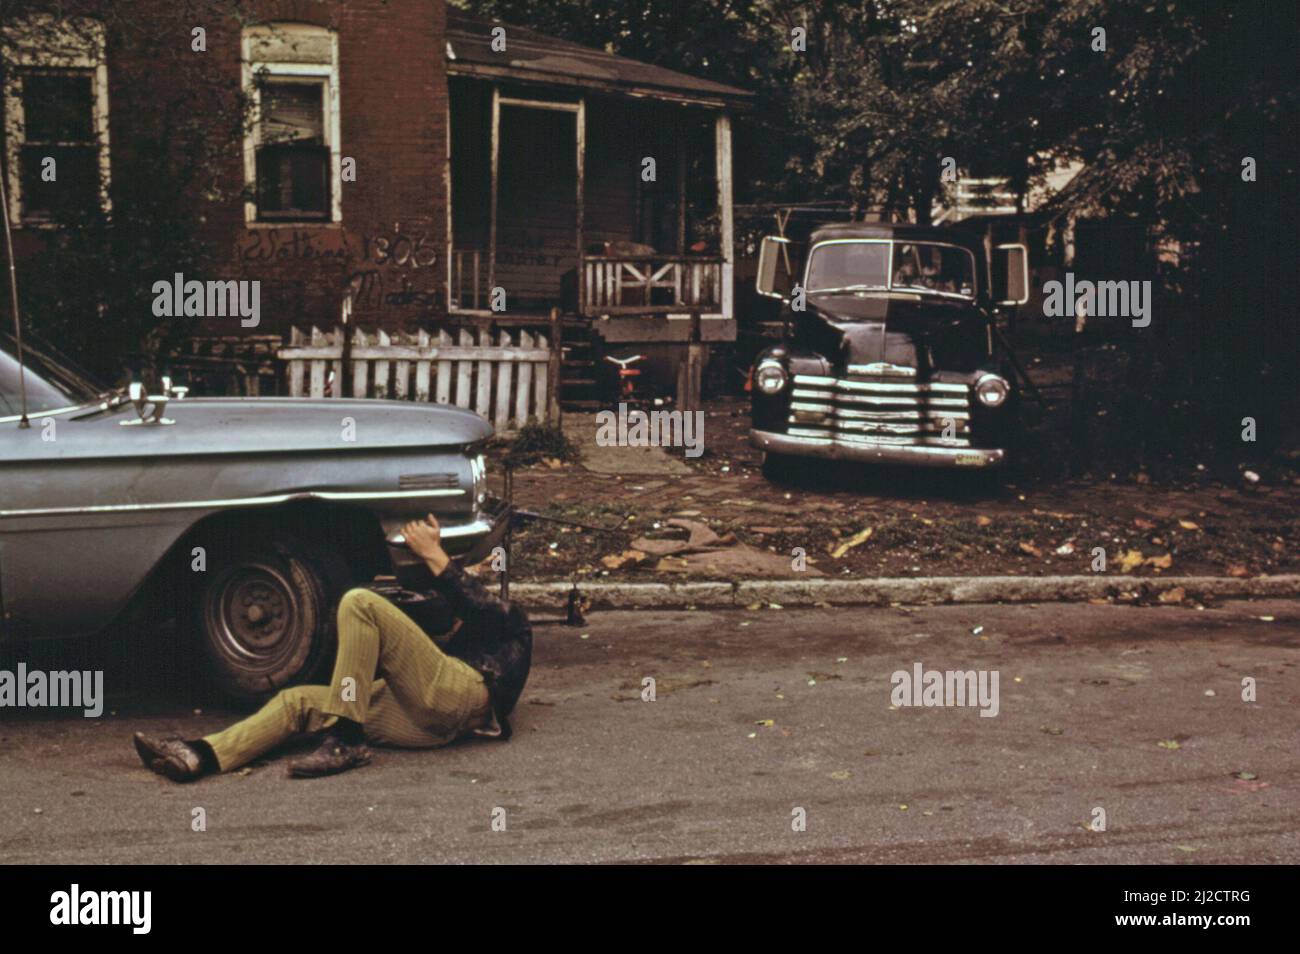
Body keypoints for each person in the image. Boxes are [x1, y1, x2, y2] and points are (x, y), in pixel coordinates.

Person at [132, 514, 531, 781]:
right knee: (298, 702)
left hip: (463, 699)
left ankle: (346, 739)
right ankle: (199, 755)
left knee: (360, 602)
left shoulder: (512, 622)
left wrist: (435, 554)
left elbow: (478, 603)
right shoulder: (453, 637)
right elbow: (415, 631)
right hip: (430, 727)